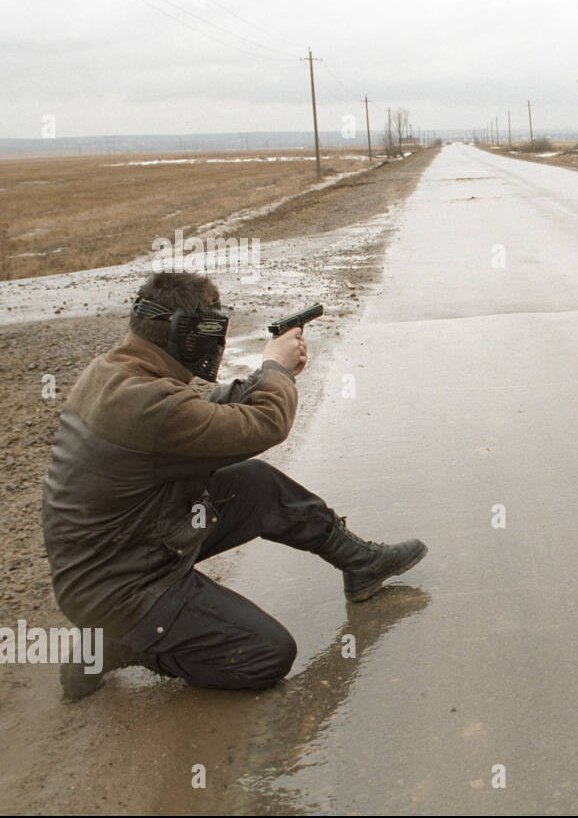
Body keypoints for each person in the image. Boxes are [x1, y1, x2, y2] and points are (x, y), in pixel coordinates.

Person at [42, 270, 428, 700]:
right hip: (120, 589)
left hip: (126, 549)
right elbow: (266, 424)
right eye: (210, 329)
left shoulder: (116, 372)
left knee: (254, 485)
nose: (216, 340)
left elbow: (198, 411)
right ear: (187, 336)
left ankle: (360, 563)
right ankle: (116, 643)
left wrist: (267, 378)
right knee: (266, 654)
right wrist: (275, 369)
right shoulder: (147, 404)